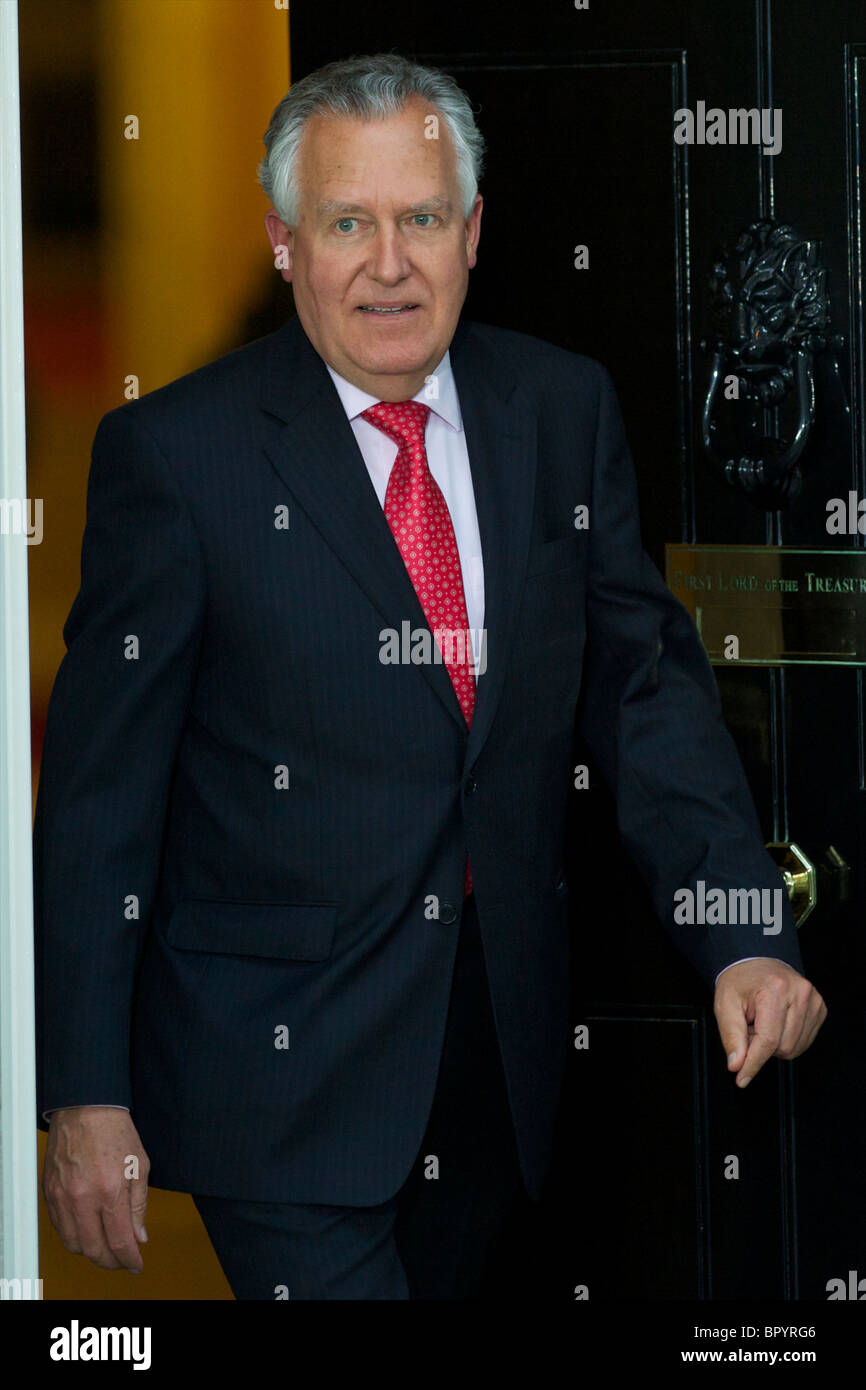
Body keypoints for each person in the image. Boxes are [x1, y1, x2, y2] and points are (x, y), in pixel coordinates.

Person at [35, 53, 826, 1301]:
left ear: (471, 233)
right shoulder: (175, 459)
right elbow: (97, 801)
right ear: (285, 243)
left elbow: (645, 691)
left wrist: (741, 934)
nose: (387, 264)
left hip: (501, 1075)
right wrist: (82, 1091)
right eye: (347, 222)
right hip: (277, 1086)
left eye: (419, 221)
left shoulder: (558, 410)